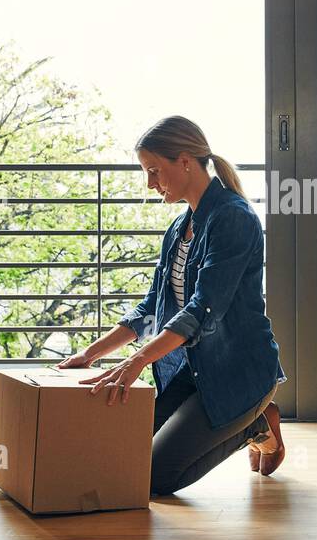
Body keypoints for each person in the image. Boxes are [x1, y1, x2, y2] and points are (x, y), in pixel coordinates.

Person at [56, 116, 287, 494]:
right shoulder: (180, 227)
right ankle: (247, 422)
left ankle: (254, 422)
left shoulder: (232, 218)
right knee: (124, 455)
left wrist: (136, 362)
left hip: (238, 375)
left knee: (152, 478)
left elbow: (201, 310)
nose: (150, 184)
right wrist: (91, 354)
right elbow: (152, 308)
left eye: (154, 171)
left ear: (184, 161)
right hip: (194, 371)